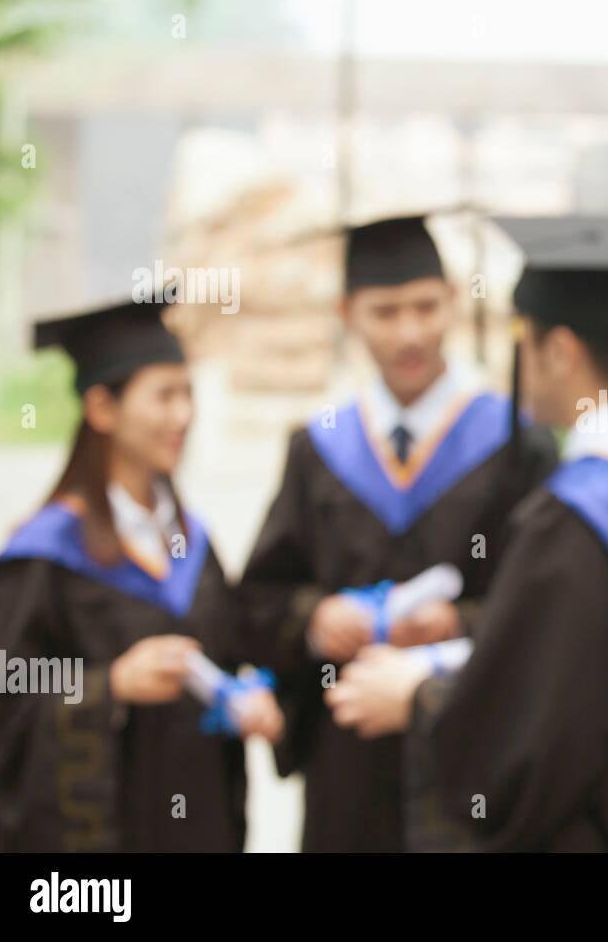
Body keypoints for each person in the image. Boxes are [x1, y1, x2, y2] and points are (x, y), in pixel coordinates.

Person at [325, 215, 608, 851]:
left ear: (558, 351)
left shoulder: (571, 521)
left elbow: (525, 733)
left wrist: (420, 699)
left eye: (524, 345)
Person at [237, 214, 557, 852]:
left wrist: (458, 625)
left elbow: (551, 614)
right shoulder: (318, 449)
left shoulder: (517, 446)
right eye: (385, 312)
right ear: (347, 312)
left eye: (425, 307)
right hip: (347, 766)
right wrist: (315, 618)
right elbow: (257, 599)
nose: (410, 333)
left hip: (469, 753)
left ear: (454, 303)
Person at [0, 297, 283, 852]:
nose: (183, 415)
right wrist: (108, 685)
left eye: (187, 393)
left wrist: (246, 696)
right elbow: (0, 691)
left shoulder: (191, 541)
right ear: (101, 408)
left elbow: (232, 648)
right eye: (163, 395)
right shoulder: (44, 556)